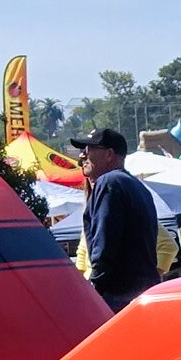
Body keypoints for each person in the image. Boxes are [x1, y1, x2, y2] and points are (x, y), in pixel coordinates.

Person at [70, 126, 160, 311]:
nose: (82, 155)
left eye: (88, 149)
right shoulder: (135, 186)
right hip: (139, 293)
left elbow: (105, 242)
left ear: (109, 154)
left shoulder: (110, 182)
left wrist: (94, 287)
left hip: (117, 296)